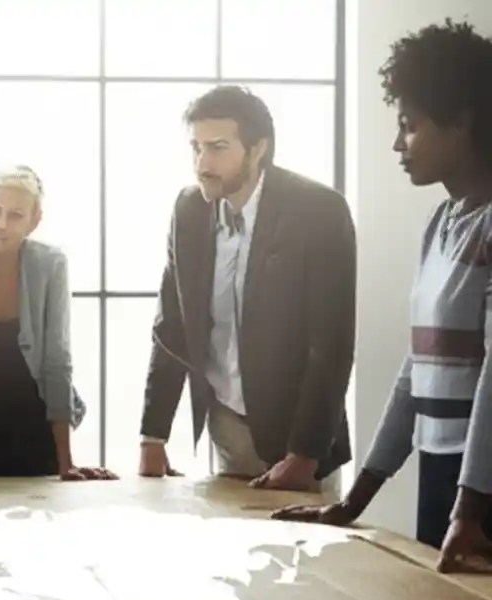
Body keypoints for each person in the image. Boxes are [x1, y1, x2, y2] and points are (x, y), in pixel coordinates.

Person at [275, 20, 492, 572]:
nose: (398, 144)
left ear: (462, 121)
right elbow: (416, 369)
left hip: (481, 489)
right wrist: (354, 500)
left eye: (410, 126)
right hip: (445, 474)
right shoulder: (442, 221)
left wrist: (471, 508)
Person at [138, 85, 357, 492]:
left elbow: (332, 345)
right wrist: (153, 436)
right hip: (228, 431)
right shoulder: (188, 210)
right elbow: (172, 325)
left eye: (218, 147)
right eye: (196, 148)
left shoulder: (319, 210)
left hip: (301, 439)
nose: (203, 163)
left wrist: (304, 453)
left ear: (258, 149)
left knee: (311, 553)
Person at [0, 165, 114, 482]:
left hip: (37, 440)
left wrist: (66, 463)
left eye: (15, 215)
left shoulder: (50, 265)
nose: (0, 224)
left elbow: (57, 361)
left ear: (34, 221)